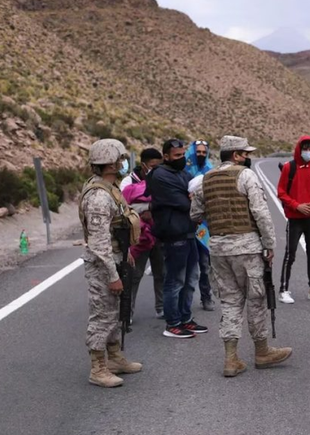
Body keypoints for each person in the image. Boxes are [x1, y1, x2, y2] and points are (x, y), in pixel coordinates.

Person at [191, 135, 292, 377]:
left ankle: (231, 358)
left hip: (218, 249)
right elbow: (261, 214)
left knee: (230, 302)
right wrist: (269, 245)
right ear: (235, 155)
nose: (248, 158)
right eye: (245, 154)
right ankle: (262, 351)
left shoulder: (206, 179)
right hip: (246, 248)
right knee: (255, 300)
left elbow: (195, 214)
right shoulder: (245, 175)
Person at [78, 139, 143, 388]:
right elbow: (98, 240)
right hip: (103, 264)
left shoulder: (110, 189)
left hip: (116, 258)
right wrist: (112, 274)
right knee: (102, 316)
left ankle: (115, 358)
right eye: (120, 159)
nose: (122, 163)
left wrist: (125, 254)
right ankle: (98, 367)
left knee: (116, 313)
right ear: (111, 163)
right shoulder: (98, 196)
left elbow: (117, 229)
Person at [147, 139, 207, 339]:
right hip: (173, 234)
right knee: (175, 280)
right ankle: (172, 323)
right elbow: (182, 202)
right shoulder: (159, 175)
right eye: (177, 155)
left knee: (191, 279)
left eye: (182, 155)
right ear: (166, 156)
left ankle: (185, 318)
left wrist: (193, 197)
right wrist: (190, 197)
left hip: (189, 233)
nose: (181, 159)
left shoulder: (183, 173)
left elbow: (197, 196)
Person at [277, 136, 310, 304]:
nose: (308, 152)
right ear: (299, 149)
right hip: (295, 219)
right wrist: (296, 205)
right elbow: (281, 192)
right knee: (290, 254)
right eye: (305, 148)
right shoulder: (289, 168)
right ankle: (284, 289)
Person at [122, 181, 163, 320]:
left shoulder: (163, 181)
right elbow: (125, 207)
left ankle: (161, 308)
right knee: (135, 275)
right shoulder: (129, 184)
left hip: (159, 234)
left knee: (161, 274)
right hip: (140, 238)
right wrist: (146, 208)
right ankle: (128, 312)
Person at [186, 140, 215, 311]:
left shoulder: (210, 171)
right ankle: (184, 302)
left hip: (204, 225)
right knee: (187, 266)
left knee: (205, 265)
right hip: (185, 223)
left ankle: (206, 297)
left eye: (204, 152)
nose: (201, 155)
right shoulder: (184, 170)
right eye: (198, 152)